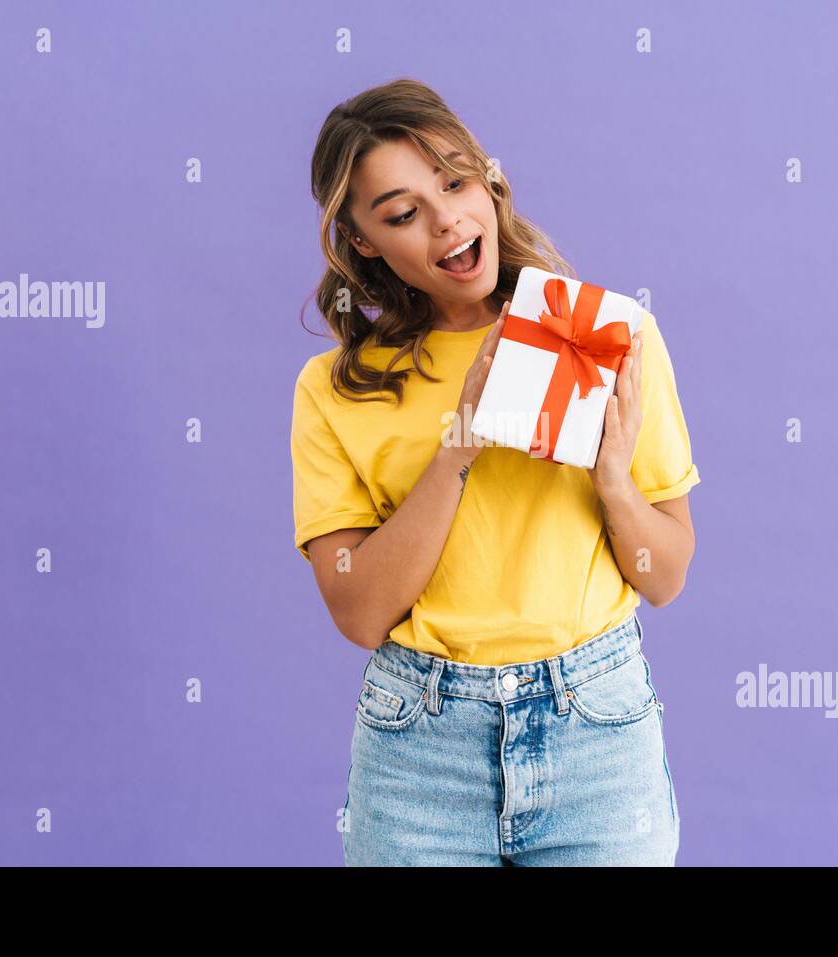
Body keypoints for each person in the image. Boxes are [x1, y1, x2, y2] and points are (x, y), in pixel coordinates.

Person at [292, 78, 700, 865]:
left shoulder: (606, 333)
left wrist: (613, 478)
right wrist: (458, 448)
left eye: (454, 180)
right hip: (421, 747)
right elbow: (359, 613)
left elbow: (665, 574)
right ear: (365, 242)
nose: (446, 219)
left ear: (488, 179)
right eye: (404, 212)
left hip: (597, 736)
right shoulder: (335, 388)